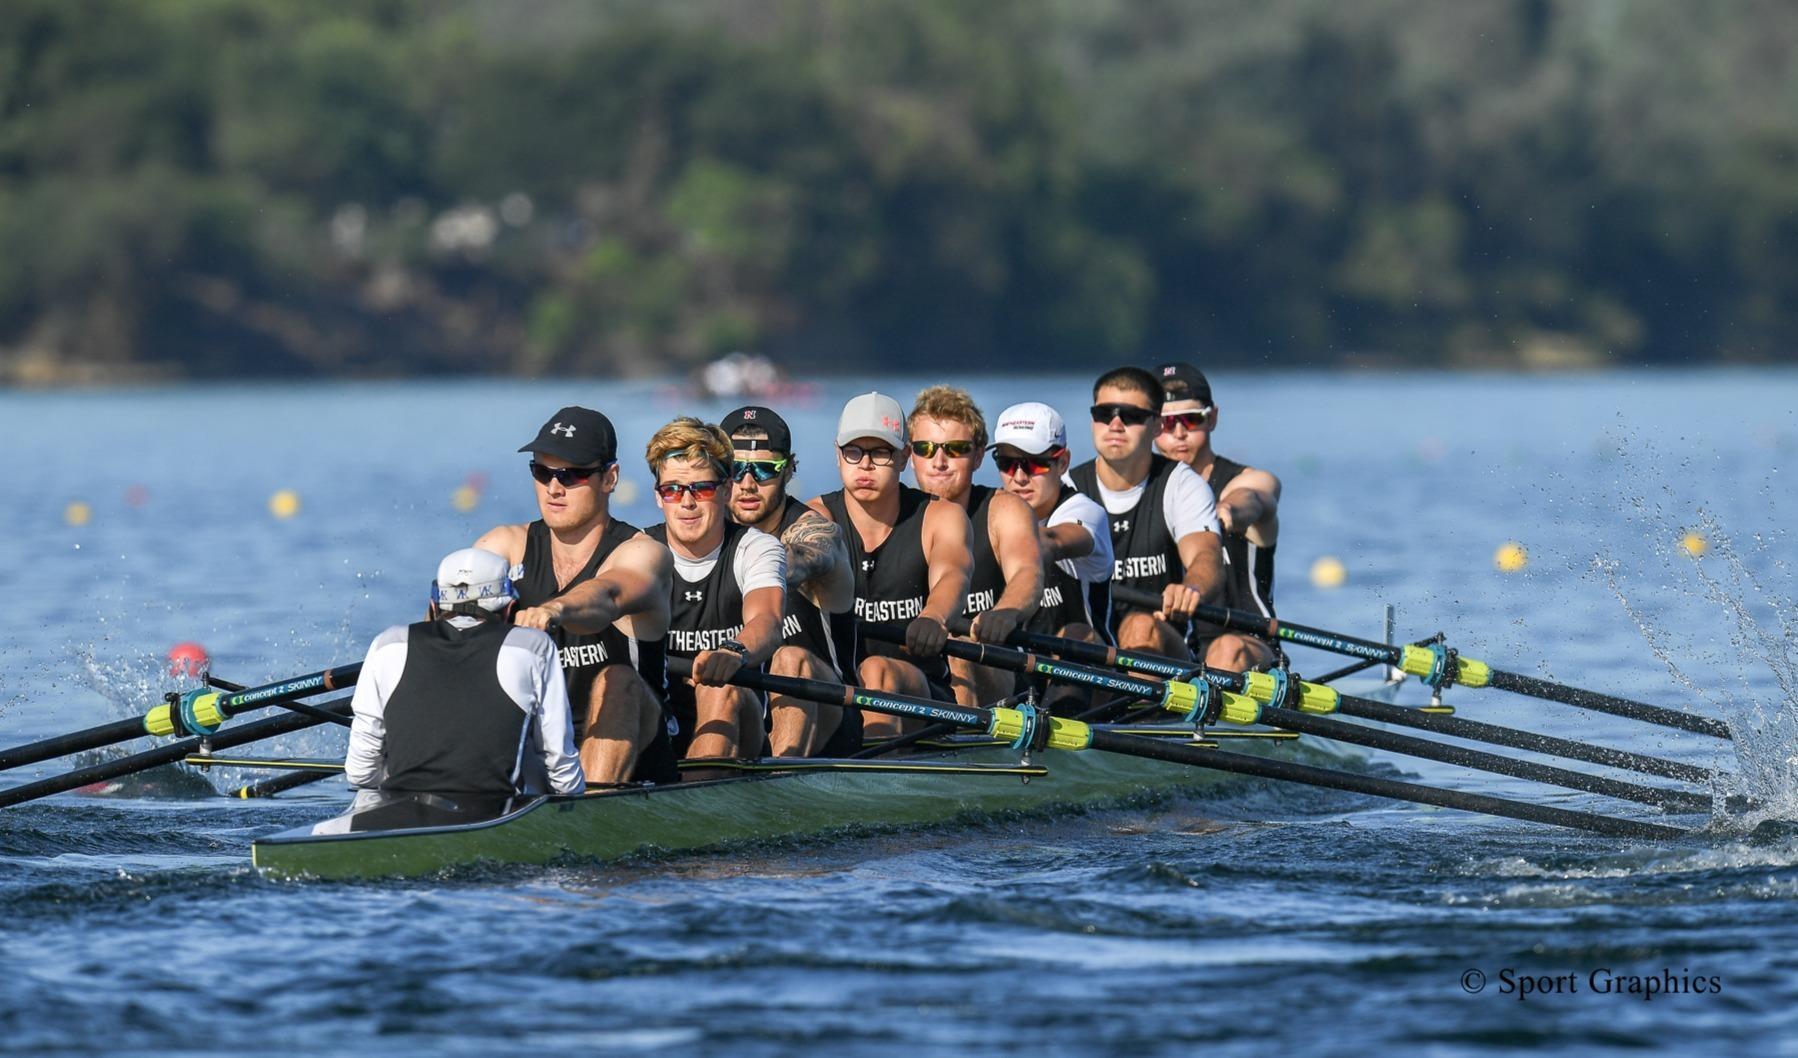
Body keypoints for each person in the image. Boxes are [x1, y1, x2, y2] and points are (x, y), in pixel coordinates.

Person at [475, 406, 679, 786]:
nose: (554, 487)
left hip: (637, 753)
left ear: (610, 478)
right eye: (542, 472)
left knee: (618, 679)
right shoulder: (503, 546)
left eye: (572, 475)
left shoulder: (643, 553)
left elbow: (607, 596)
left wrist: (552, 609)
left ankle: (588, 812)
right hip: (537, 750)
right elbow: (446, 621)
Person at [344, 547, 584, 800]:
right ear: (509, 607)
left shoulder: (389, 643)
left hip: (400, 810)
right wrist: (580, 807)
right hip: (498, 813)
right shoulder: (533, 646)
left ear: (434, 606)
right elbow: (558, 761)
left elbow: (360, 773)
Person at [810, 391, 971, 736]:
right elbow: (802, 550)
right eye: (854, 451)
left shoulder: (940, 516)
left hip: (922, 691)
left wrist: (934, 616)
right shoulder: (816, 517)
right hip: (839, 690)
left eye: (880, 452)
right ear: (838, 456)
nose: (865, 464)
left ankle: (874, 780)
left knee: (877, 670)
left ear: (904, 458)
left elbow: (953, 572)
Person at [642, 417, 787, 777]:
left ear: (725, 490)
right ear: (658, 497)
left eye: (701, 489)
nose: (687, 502)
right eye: (673, 490)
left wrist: (733, 652)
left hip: (742, 724)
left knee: (719, 692)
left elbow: (767, 622)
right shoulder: (637, 550)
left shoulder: (756, 548)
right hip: (660, 724)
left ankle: (688, 810)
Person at [722, 404, 864, 756]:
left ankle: (780, 780)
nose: (748, 483)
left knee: (789, 660)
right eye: (736, 469)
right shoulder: (705, 534)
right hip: (748, 707)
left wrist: (757, 567)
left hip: (829, 715)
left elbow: (809, 555)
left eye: (765, 470)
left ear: (789, 471)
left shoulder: (815, 531)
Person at [1068, 367, 1225, 659]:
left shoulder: (1182, 485)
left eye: (1130, 416)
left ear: (1156, 426)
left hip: (1165, 650)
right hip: (1090, 645)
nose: (1115, 424)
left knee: (1140, 626)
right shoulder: (1067, 487)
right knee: (1076, 635)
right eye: (1104, 414)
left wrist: (1192, 587)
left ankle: (1135, 704)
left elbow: (1207, 556)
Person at [906, 386, 1043, 707]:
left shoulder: (1003, 509)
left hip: (992, 668)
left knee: (959, 647)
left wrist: (1004, 613)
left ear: (979, 455)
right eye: (925, 448)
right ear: (908, 455)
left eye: (955, 449)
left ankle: (966, 749)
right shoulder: (892, 513)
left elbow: (1027, 573)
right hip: (913, 672)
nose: (939, 461)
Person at [1153, 362, 1281, 670]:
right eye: (1167, 423)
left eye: (1191, 420)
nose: (1180, 433)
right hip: (1178, 654)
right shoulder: (1141, 492)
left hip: (1248, 646)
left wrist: (1223, 513)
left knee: (1225, 649)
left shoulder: (1248, 480)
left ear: (1212, 418)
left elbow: (1255, 497)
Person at [988, 401, 1113, 645]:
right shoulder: (991, 509)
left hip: (1081, 670)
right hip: (1016, 671)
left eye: (1035, 463)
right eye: (1007, 463)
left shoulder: (1085, 513)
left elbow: (1049, 542)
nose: (1020, 477)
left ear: (1063, 462)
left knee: (1077, 634)